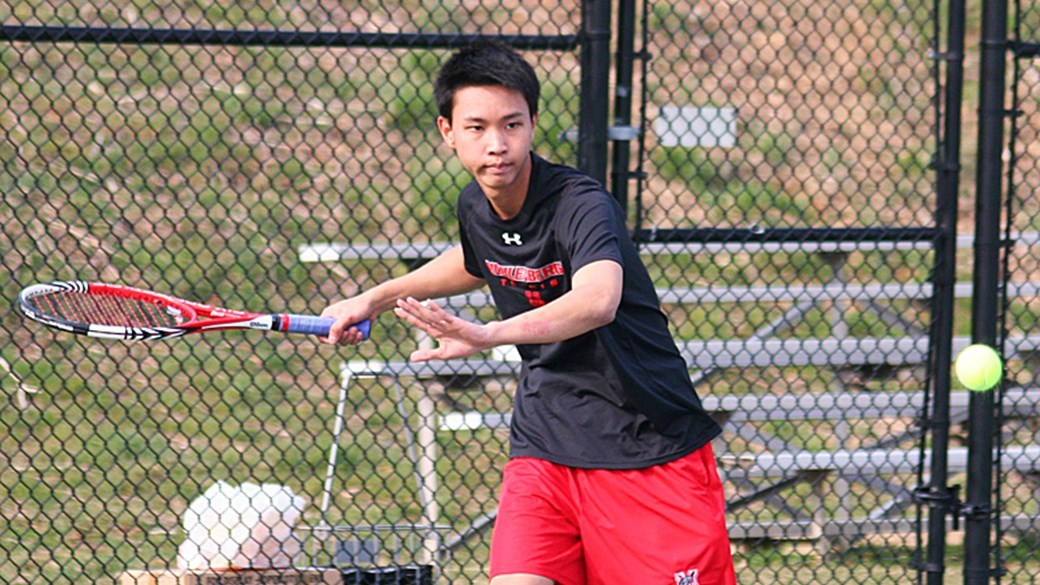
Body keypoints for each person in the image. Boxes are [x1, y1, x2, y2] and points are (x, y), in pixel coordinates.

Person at [321, 42, 735, 585]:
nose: (497, 144)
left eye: (512, 125)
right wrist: (372, 297)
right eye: (477, 128)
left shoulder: (580, 203)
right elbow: (475, 258)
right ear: (448, 131)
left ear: (533, 124)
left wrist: (489, 333)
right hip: (546, 443)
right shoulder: (477, 204)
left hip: (646, 443)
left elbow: (598, 299)